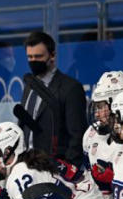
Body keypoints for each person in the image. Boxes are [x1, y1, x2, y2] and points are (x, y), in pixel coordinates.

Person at [19, 31, 87, 166]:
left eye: (38, 56)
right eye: (30, 57)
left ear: (52, 56)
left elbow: (77, 135)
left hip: (55, 168)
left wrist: (67, 170)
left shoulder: (70, 88)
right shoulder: (29, 86)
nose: (33, 61)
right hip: (27, 165)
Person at [83, 71, 123, 199]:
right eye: (96, 108)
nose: (97, 114)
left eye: (101, 107)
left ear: (117, 104)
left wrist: (115, 180)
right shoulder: (90, 135)